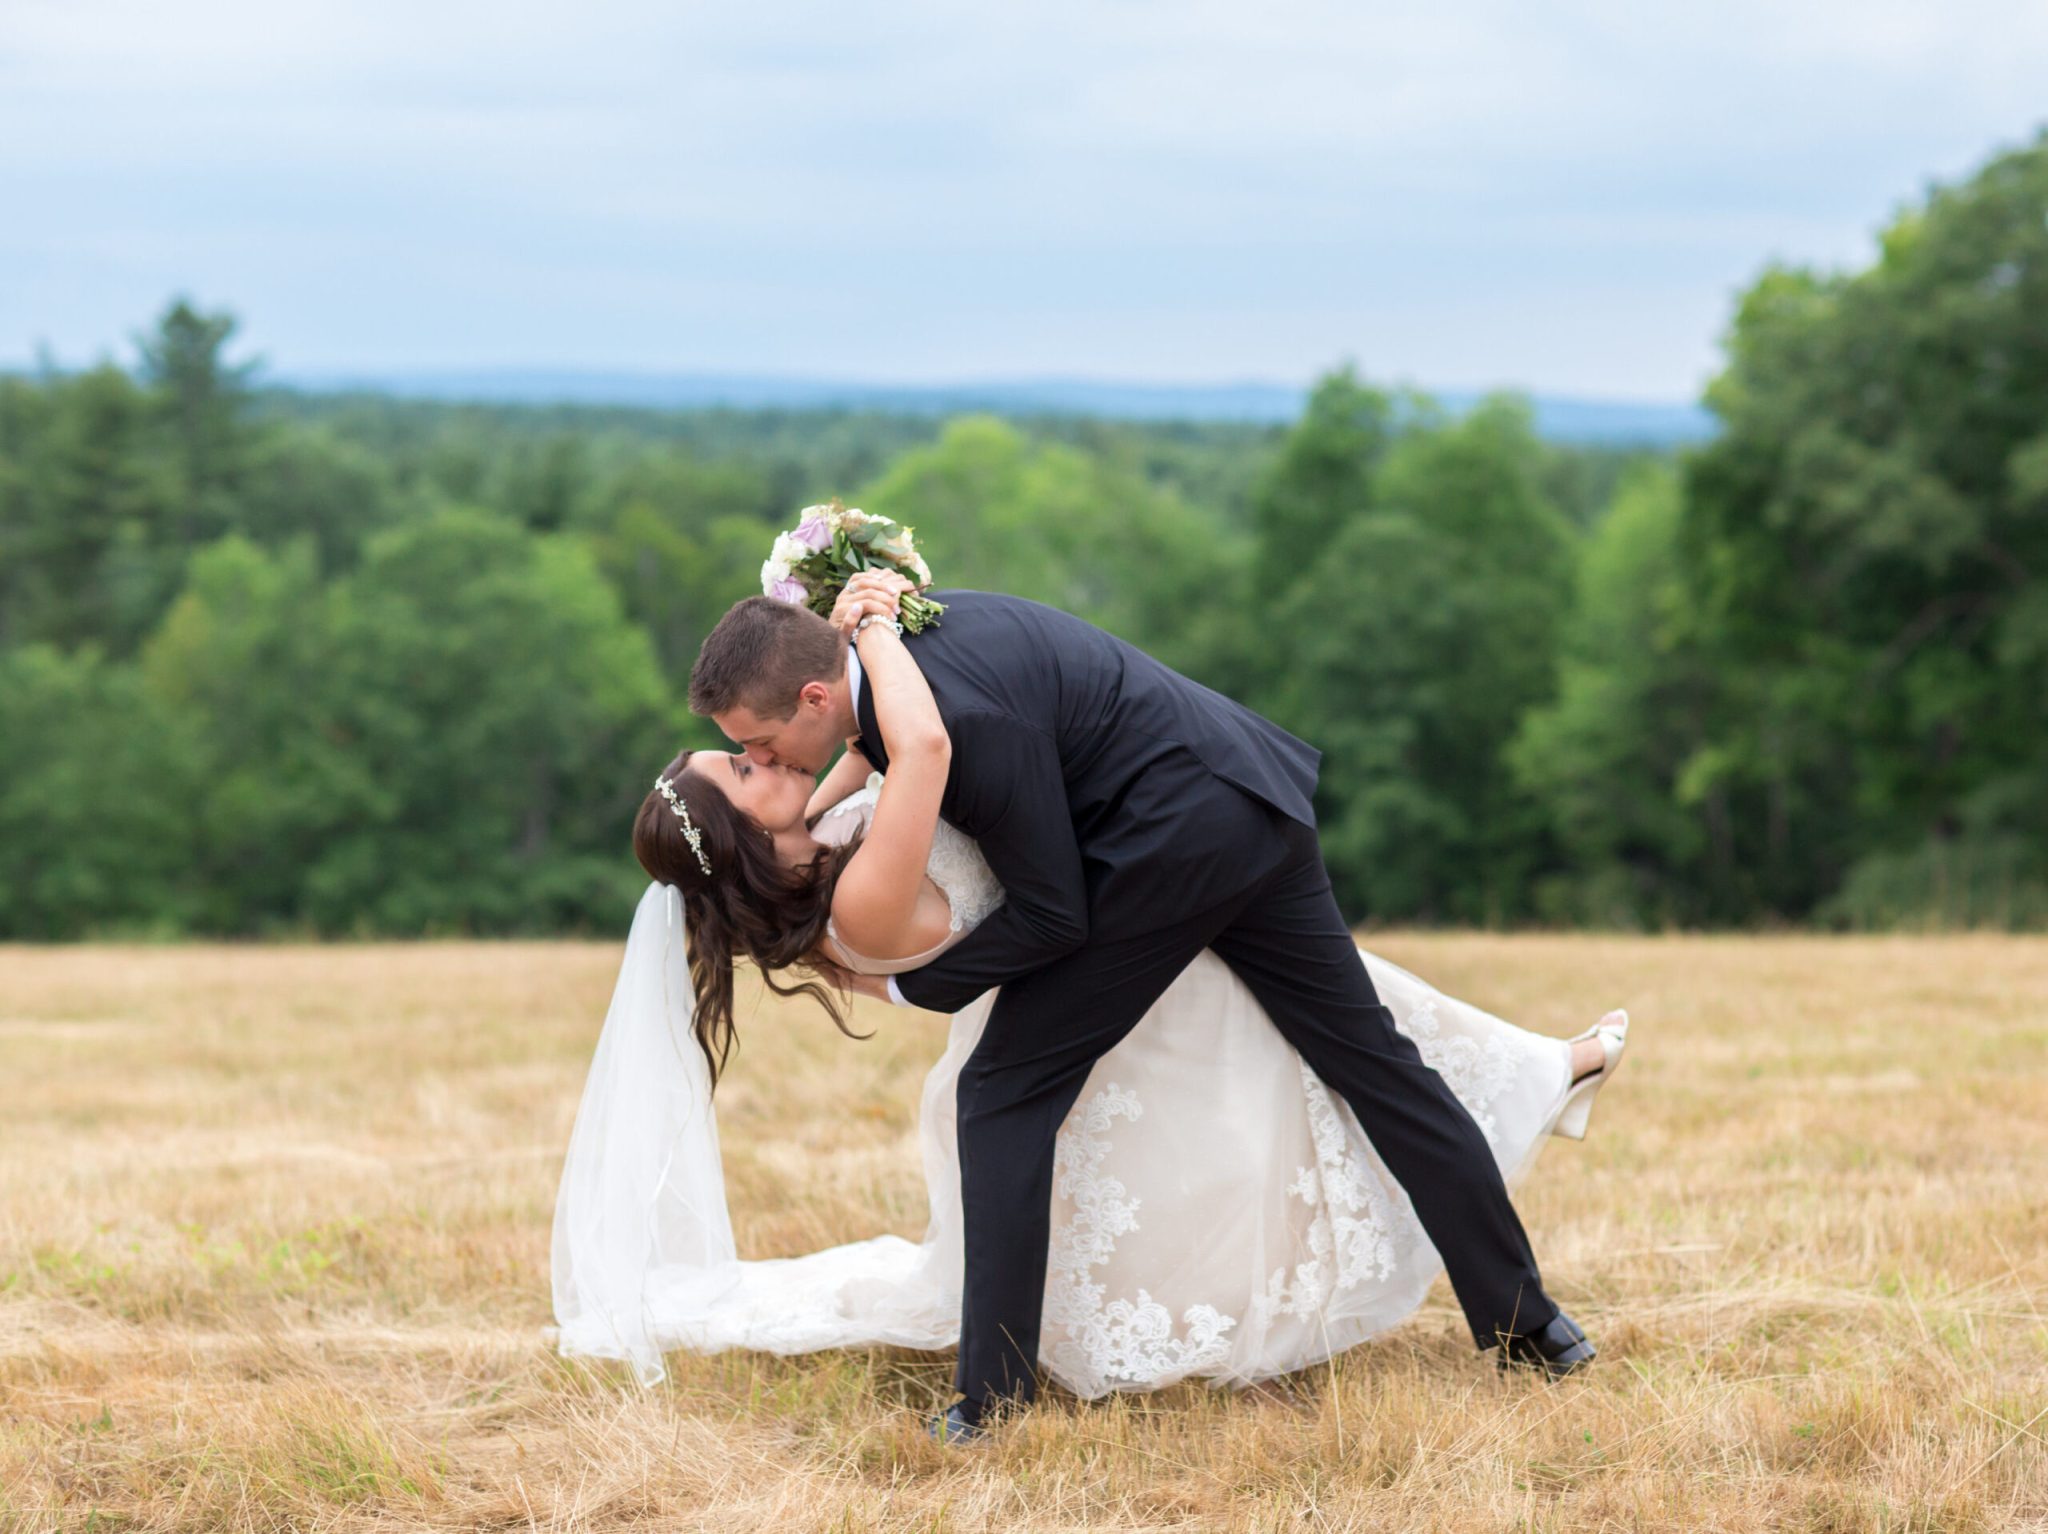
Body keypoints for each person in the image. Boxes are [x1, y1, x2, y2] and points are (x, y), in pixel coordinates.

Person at [550, 586, 1628, 1435]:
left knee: (1002, 1095)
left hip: (1176, 845)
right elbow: (885, 753)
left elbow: (1057, 913)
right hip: (1249, 793)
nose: (777, 762)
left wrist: (920, 986)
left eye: (763, 744)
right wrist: (865, 623)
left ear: (816, 700)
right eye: (755, 763)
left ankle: (994, 1397)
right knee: (1376, 1065)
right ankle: (1530, 1327)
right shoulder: (903, 653)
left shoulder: (936, 713)